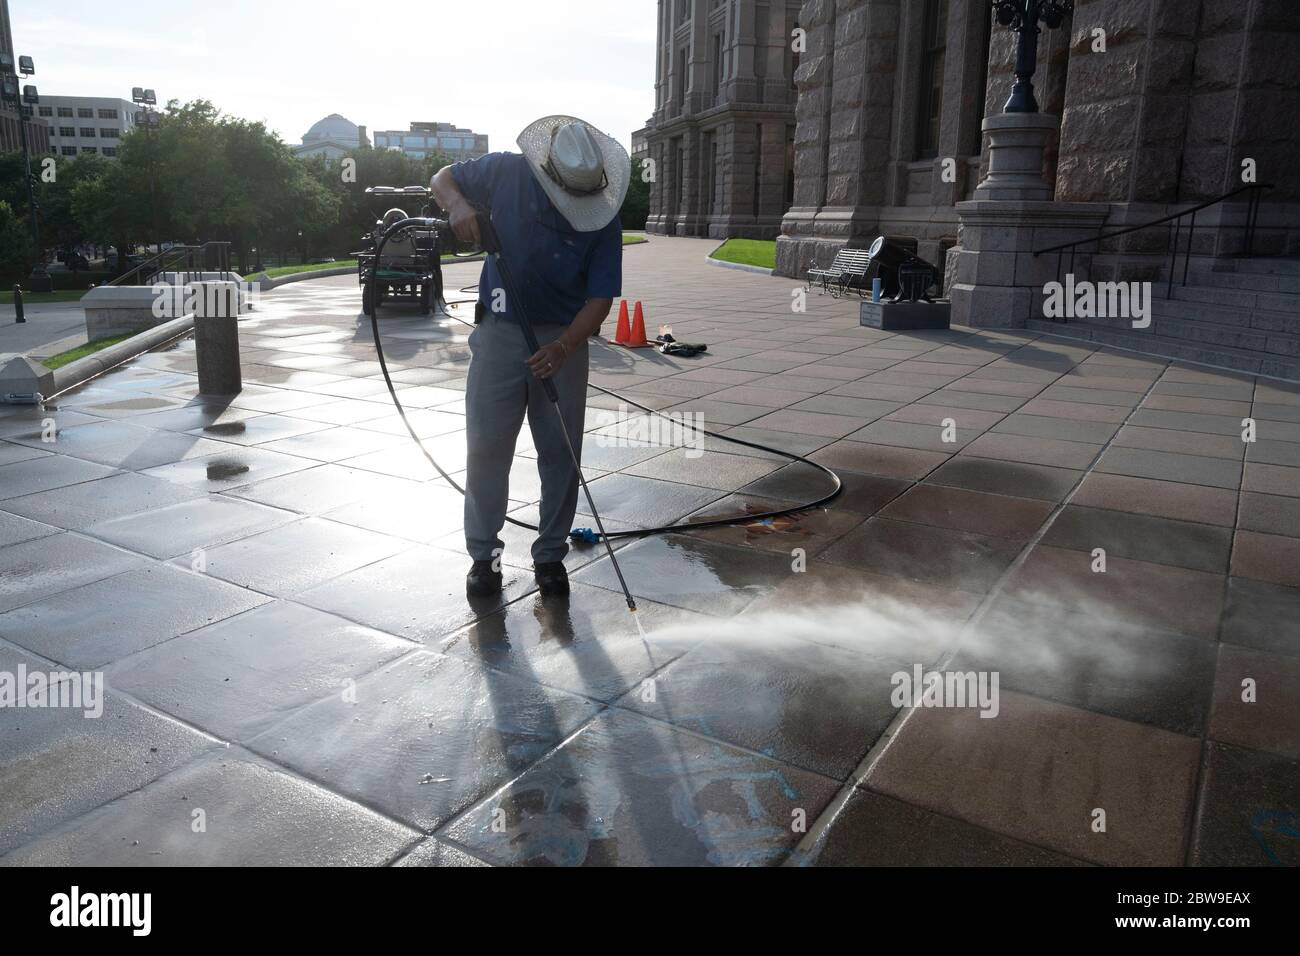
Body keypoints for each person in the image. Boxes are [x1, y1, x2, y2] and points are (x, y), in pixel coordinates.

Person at [430, 115, 629, 598]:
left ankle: (550, 556)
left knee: (560, 452)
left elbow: (600, 300)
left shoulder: (603, 216)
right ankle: (484, 556)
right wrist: (457, 206)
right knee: (488, 447)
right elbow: (442, 178)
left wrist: (564, 346)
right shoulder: (505, 171)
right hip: (499, 332)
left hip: (565, 338)